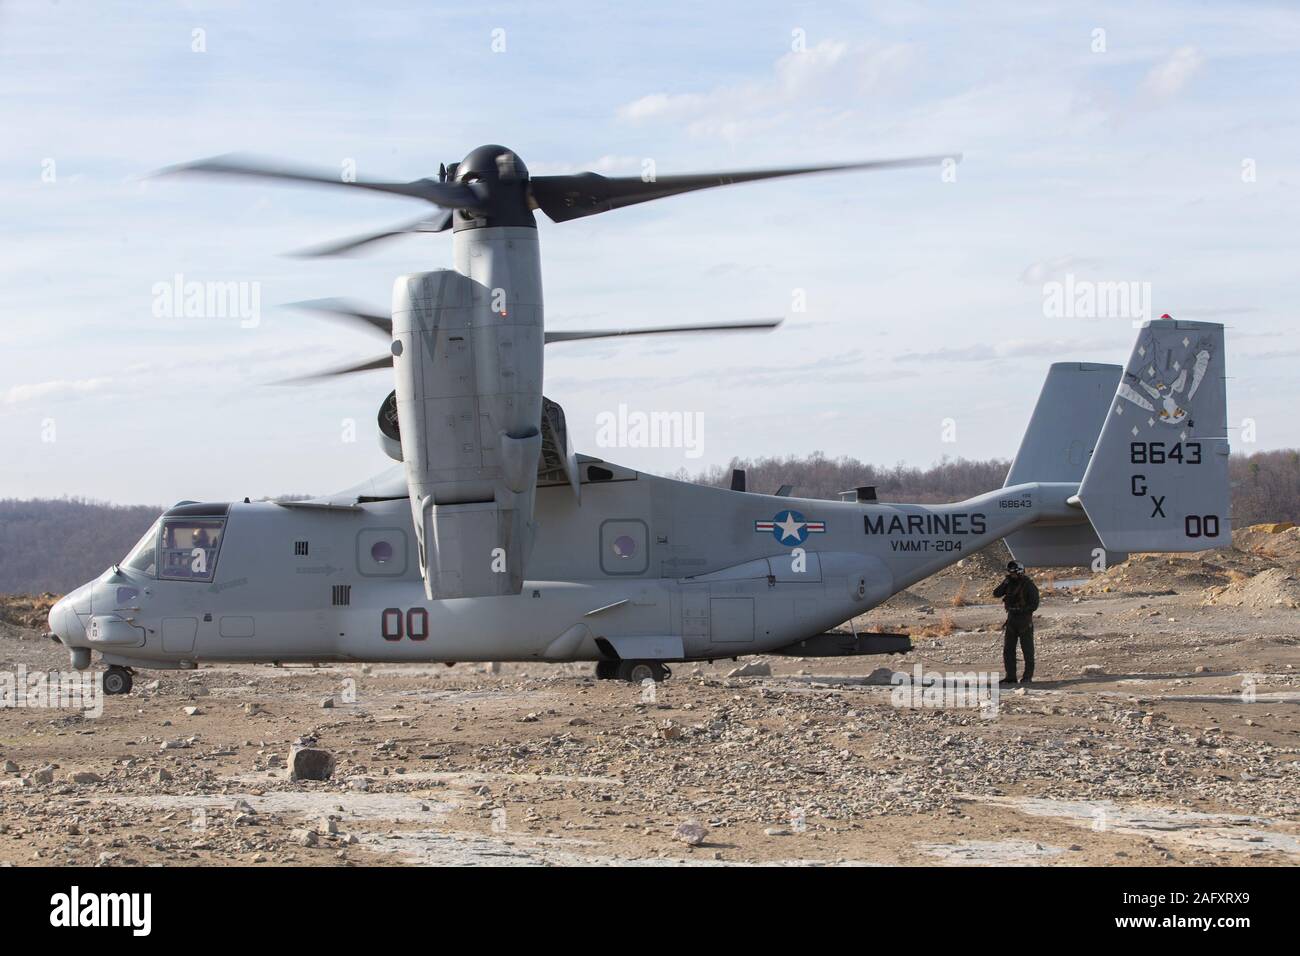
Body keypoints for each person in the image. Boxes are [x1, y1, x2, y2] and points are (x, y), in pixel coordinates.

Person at [993, 560, 1040, 685]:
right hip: (1011, 621)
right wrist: (1005, 583)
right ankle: (1010, 677)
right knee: (1008, 650)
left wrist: (1020, 610)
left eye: (1013, 573)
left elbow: (1034, 604)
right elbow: (996, 593)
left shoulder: (1028, 585)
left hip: (1024, 621)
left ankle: (1027, 677)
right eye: (1010, 573)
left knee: (1027, 650)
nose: (1011, 575)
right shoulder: (1008, 583)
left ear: (1019, 572)